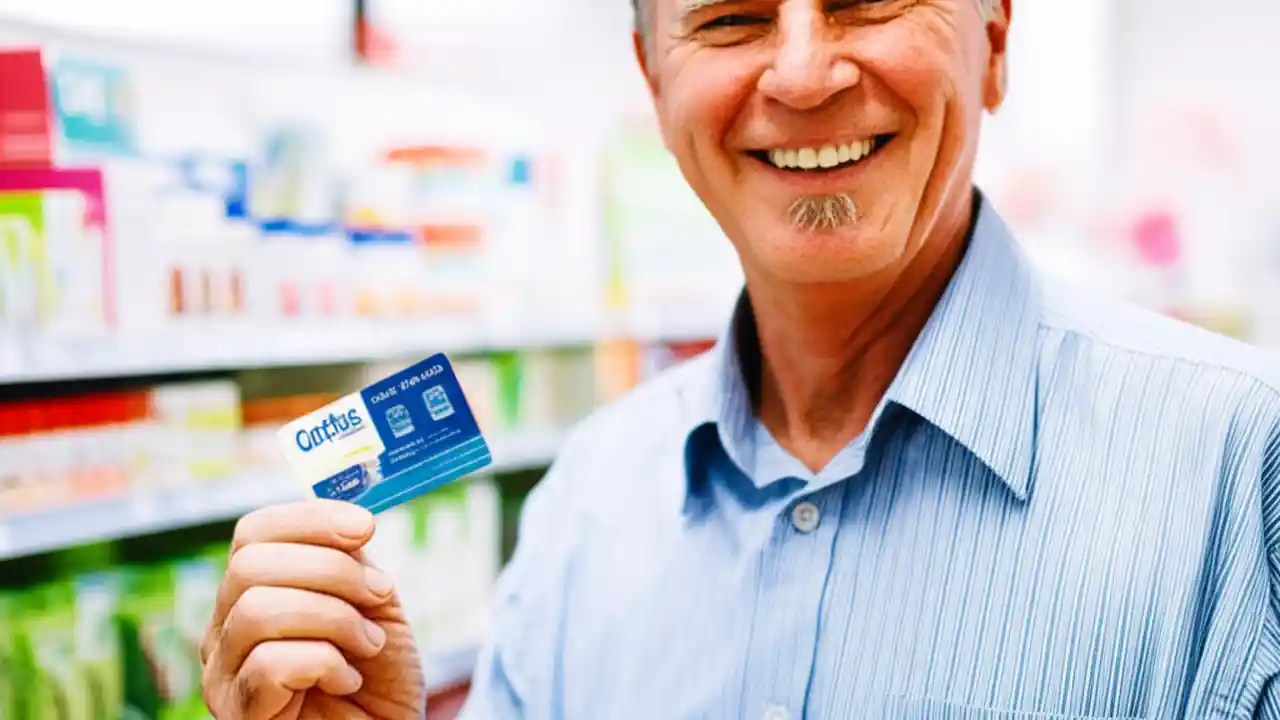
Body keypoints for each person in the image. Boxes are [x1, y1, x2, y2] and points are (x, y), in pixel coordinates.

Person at [200, 0, 1280, 717]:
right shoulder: (588, 501)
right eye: (730, 16)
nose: (803, 73)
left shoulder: (1232, 466)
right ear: (653, 80)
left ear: (992, 41)